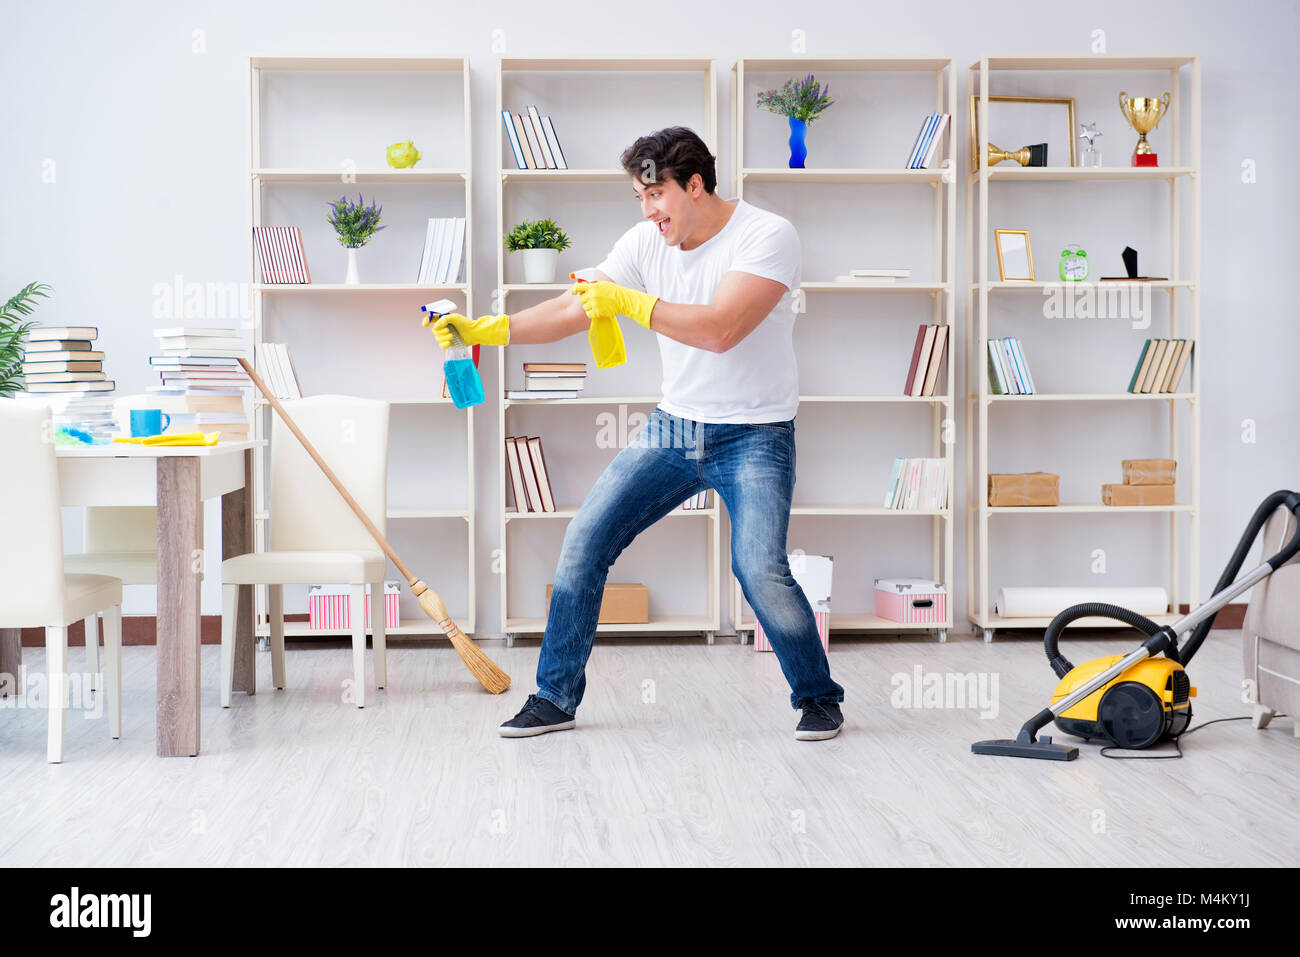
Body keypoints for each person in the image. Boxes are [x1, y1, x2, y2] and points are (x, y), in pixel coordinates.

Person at [428, 126, 845, 740]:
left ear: (695, 185)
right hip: (673, 429)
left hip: (755, 433)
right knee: (584, 540)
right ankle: (554, 698)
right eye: (639, 198)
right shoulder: (646, 242)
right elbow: (578, 307)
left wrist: (630, 303)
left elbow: (721, 328)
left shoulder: (767, 235)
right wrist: (486, 330)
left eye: (656, 196)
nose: (648, 211)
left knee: (758, 568)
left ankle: (817, 696)